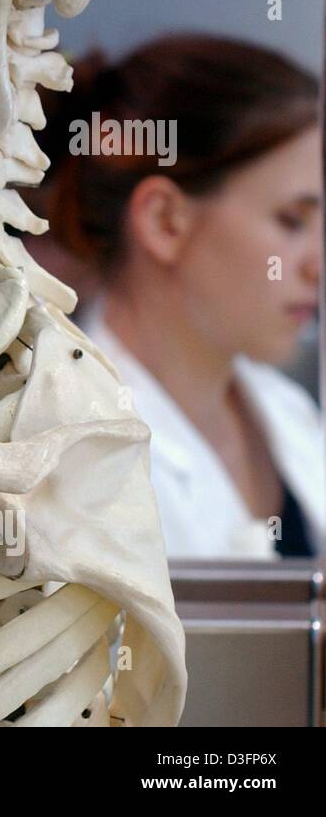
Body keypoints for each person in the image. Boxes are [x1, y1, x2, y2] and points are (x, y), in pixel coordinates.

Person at [36, 34, 324, 559]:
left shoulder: (288, 411)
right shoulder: (66, 460)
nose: (316, 265)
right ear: (165, 222)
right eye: (292, 220)